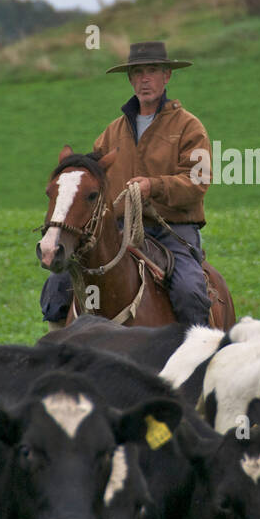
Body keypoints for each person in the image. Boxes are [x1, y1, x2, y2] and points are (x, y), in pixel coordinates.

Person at [40, 41, 212, 327]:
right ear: (131, 79)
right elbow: (92, 180)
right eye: (138, 73)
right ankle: (59, 348)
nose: (145, 79)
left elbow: (198, 181)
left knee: (189, 291)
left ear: (167, 76)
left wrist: (152, 186)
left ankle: (196, 356)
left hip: (173, 231)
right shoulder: (111, 133)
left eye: (153, 71)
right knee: (57, 286)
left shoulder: (189, 127)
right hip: (118, 231)